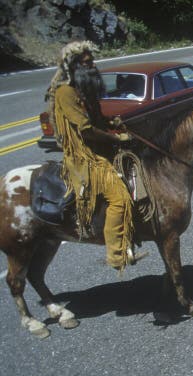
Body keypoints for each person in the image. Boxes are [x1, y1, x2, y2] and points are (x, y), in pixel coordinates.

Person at [45, 41, 137, 270]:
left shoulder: (82, 89)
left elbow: (96, 119)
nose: (93, 66)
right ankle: (117, 255)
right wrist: (117, 139)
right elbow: (85, 129)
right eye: (88, 63)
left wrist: (112, 122)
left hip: (99, 147)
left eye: (92, 62)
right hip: (83, 155)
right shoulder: (65, 92)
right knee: (119, 198)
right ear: (75, 66)